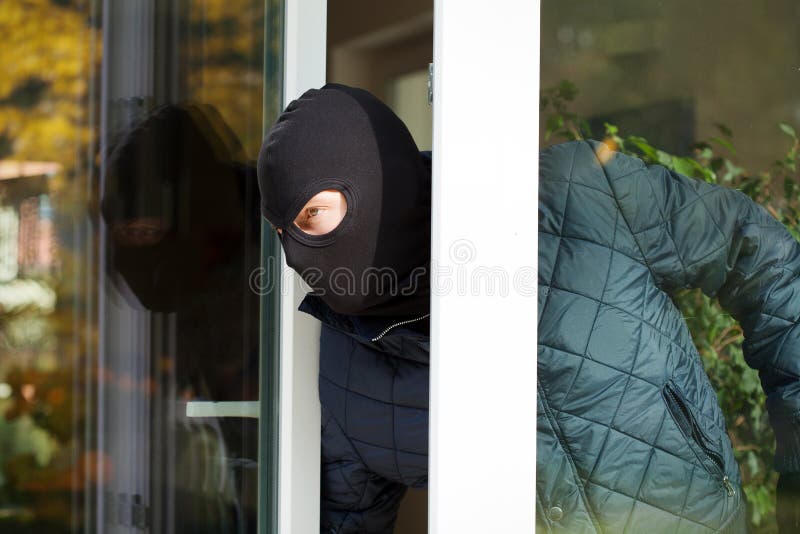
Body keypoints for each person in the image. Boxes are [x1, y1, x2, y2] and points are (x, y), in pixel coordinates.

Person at [257, 83, 800, 533]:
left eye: (313, 215)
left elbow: (765, 263)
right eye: (283, 232)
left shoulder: (580, 196)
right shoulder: (346, 366)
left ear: (378, 185)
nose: (296, 255)